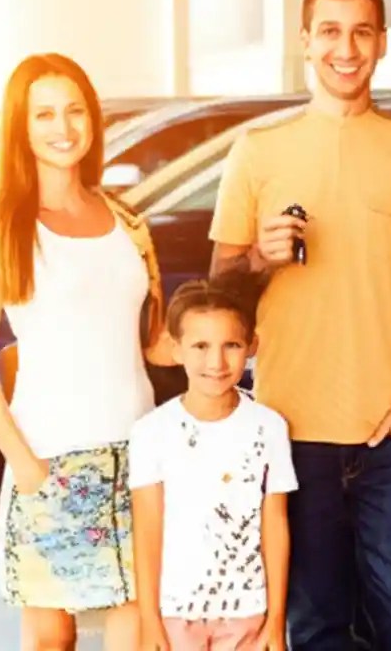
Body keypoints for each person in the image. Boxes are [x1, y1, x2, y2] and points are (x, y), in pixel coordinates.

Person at [207, 0, 391, 650]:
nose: (345, 49)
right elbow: (219, 296)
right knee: (316, 627)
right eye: (329, 31)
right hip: (291, 432)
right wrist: (259, 256)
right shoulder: (257, 151)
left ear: (382, 41)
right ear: (304, 40)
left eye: (360, 32)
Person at [0, 52, 172, 651]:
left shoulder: (128, 221)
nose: (63, 127)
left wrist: (236, 329)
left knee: (138, 626)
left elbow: (154, 344)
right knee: (52, 637)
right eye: (45, 113)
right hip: (50, 457)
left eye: (75, 110)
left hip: (139, 455)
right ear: (20, 128)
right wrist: (24, 465)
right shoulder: (1, 227)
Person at [130, 277, 297, 651]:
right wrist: (150, 622)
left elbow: (276, 524)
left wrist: (275, 622)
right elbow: (147, 529)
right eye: (200, 346)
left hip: (248, 615)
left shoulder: (268, 427)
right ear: (176, 349)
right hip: (175, 615)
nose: (216, 362)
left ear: (252, 345)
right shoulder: (152, 432)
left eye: (231, 345)